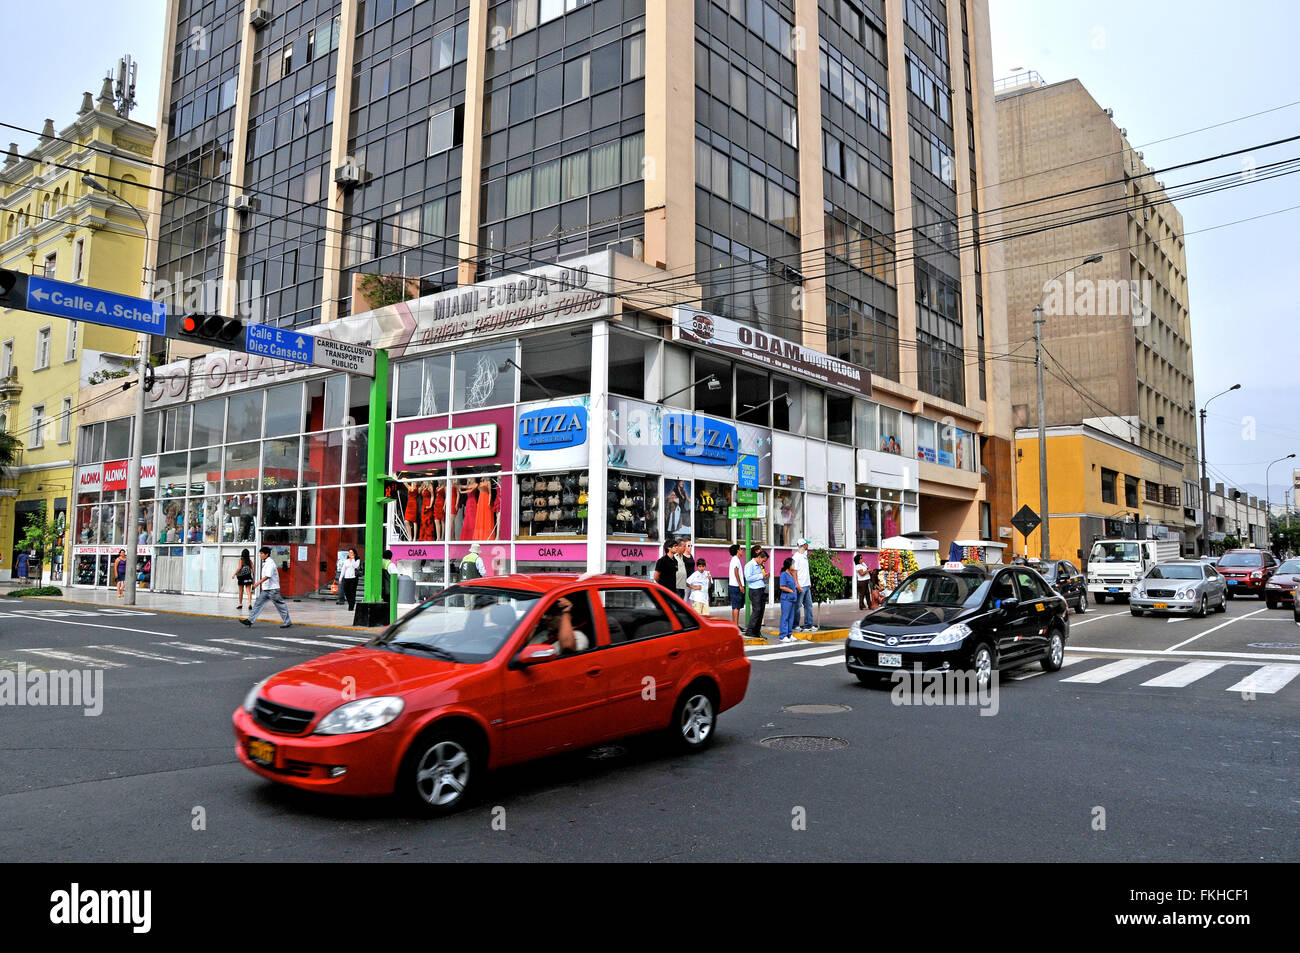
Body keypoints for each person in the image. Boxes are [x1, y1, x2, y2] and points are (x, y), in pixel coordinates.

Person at [241, 545, 291, 628]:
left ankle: (287, 622)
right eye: (260, 553)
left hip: (273, 589)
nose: (260, 555)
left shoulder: (270, 563)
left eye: (261, 553)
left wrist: (257, 584)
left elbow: (268, 576)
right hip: (266, 589)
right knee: (258, 604)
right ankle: (250, 620)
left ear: (267, 554)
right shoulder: (266, 562)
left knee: (280, 605)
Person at [743, 548, 770, 641]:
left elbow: (761, 578)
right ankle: (750, 630)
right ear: (758, 557)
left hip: (761, 589)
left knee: (761, 611)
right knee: (757, 610)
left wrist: (765, 576)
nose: (763, 562)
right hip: (755, 590)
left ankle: (757, 631)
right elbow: (748, 578)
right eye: (763, 560)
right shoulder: (749, 565)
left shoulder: (760, 566)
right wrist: (760, 576)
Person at [791, 537, 814, 632]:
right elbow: (794, 572)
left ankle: (808, 624)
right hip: (800, 585)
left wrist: (809, 582)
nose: (808, 545)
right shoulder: (795, 557)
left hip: (806, 585)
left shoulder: (804, 556)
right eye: (806, 544)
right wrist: (797, 584)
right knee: (797, 606)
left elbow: (805, 571)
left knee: (809, 605)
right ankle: (795, 625)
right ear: (803, 545)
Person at [778, 557, 799, 643]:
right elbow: (782, 586)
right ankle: (783, 635)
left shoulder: (791, 574)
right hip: (786, 599)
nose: (794, 565)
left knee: (791, 617)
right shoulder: (784, 574)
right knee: (785, 617)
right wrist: (791, 591)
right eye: (793, 564)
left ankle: (789, 634)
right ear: (789, 565)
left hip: (792, 599)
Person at [727, 543, 745, 627]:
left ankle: (735, 624)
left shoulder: (735, 559)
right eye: (741, 549)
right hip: (736, 586)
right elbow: (736, 572)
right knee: (736, 606)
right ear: (737, 550)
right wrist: (740, 585)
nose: (742, 551)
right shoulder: (735, 560)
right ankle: (736, 625)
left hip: (734, 585)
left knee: (735, 606)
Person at [674, 538, 692, 604]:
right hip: (676, 585)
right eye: (684, 546)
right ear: (678, 547)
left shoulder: (682, 557)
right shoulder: (674, 557)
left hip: (683, 585)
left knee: (682, 602)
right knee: (678, 602)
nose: (685, 548)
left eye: (685, 546)